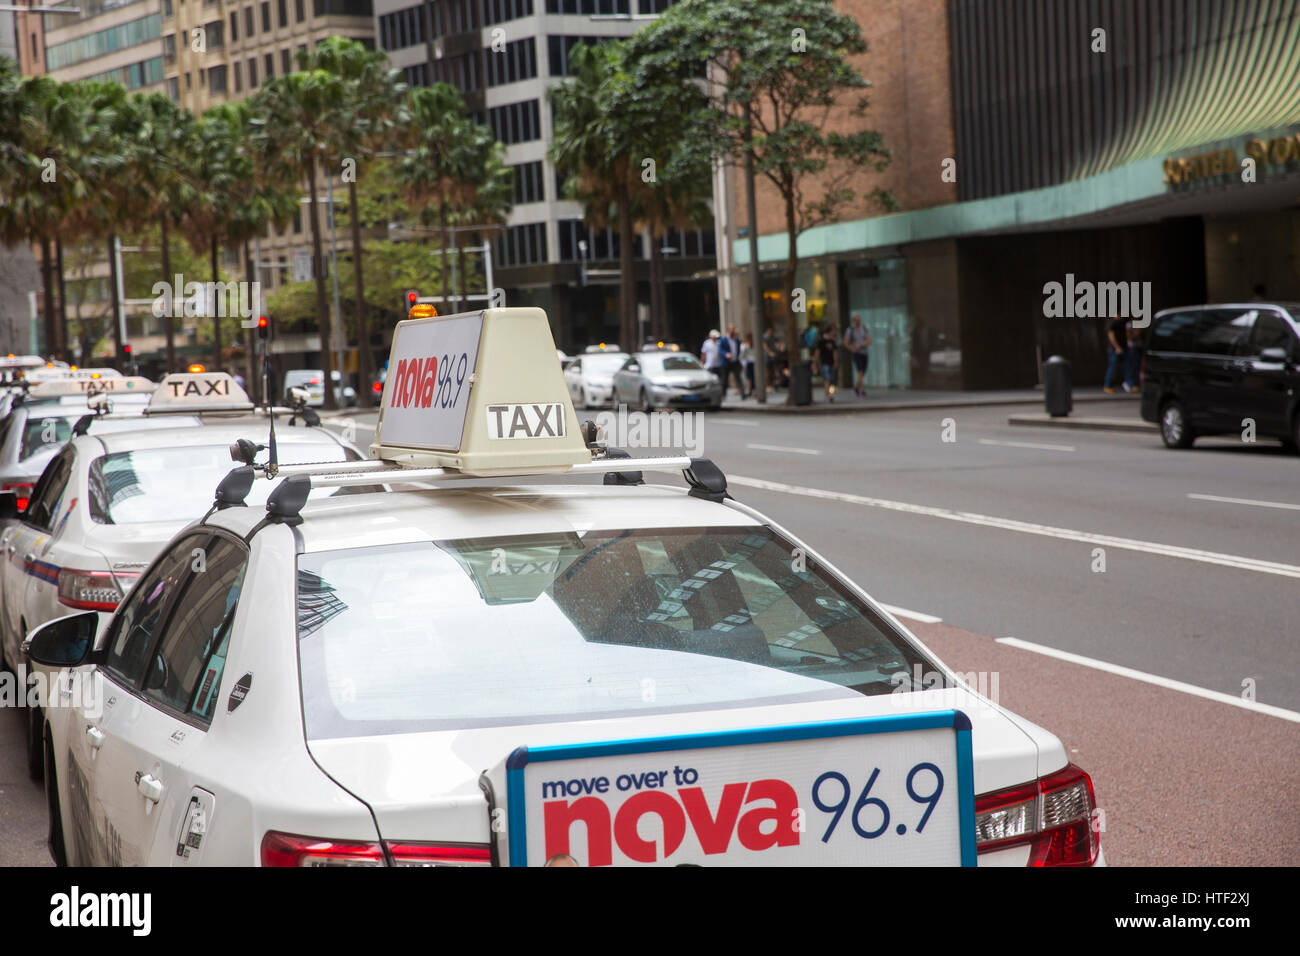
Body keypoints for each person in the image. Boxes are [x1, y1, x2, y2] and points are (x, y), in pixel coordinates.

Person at [843, 313, 872, 397]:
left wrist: (862, 345)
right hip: (857, 353)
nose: (858, 321)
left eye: (859, 319)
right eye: (856, 320)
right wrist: (851, 348)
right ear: (853, 321)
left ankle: (856, 387)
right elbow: (845, 342)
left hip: (864, 352)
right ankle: (862, 390)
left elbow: (869, 339)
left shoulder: (864, 329)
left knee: (863, 372)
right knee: (860, 371)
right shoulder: (850, 330)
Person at [1104, 313, 1129, 394]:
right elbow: (1111, 336)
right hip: (1115, 349)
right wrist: (1117, 347)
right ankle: (1108, 386)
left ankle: (1129, 384)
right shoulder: (1113, 322)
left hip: (1123, 348)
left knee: (1127, 366)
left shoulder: (1121, 322)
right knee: (1113, 368)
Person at [816, 323, 840, 402]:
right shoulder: (822, 340)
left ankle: (827, 393)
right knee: (827, 378)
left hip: (831, 362)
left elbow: (835, 352)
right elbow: (818, 351)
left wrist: (836, 362)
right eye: (833, 330)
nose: (835, 332)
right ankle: (828, 394)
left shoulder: (833, 341)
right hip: (824, 362)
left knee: (831, 378)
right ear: (829, 331)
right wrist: (815, 362)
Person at [722, 324, 746, 398]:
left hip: (735, 361)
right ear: (728, 330)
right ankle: (723, 394)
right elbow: (721, 349)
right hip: (727, 362)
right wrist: (726, 354)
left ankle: (743, 394)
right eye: (731, 329)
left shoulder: (737, 340)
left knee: (738, 377)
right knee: (725, 379)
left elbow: (739, 348)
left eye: (733, 329)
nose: (732, 331)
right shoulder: (724, 339)